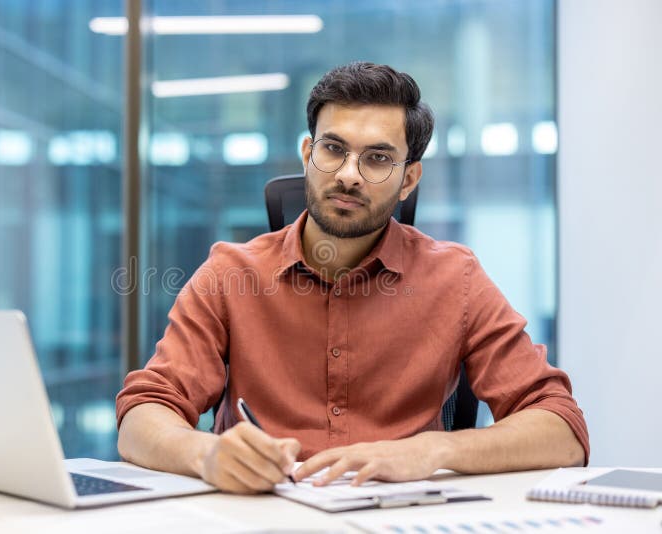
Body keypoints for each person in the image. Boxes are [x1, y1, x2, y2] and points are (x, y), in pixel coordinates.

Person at [115, 62, 588, 494]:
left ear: (408, 179)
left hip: (396, 517)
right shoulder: (230, 273)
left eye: (378, 158)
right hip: (260, 514)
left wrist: (434, 451)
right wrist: (207, 454)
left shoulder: (455, 278)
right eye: (333, 149)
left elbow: (562, 430)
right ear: (307, 154)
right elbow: (141, 416)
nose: (349, 175)